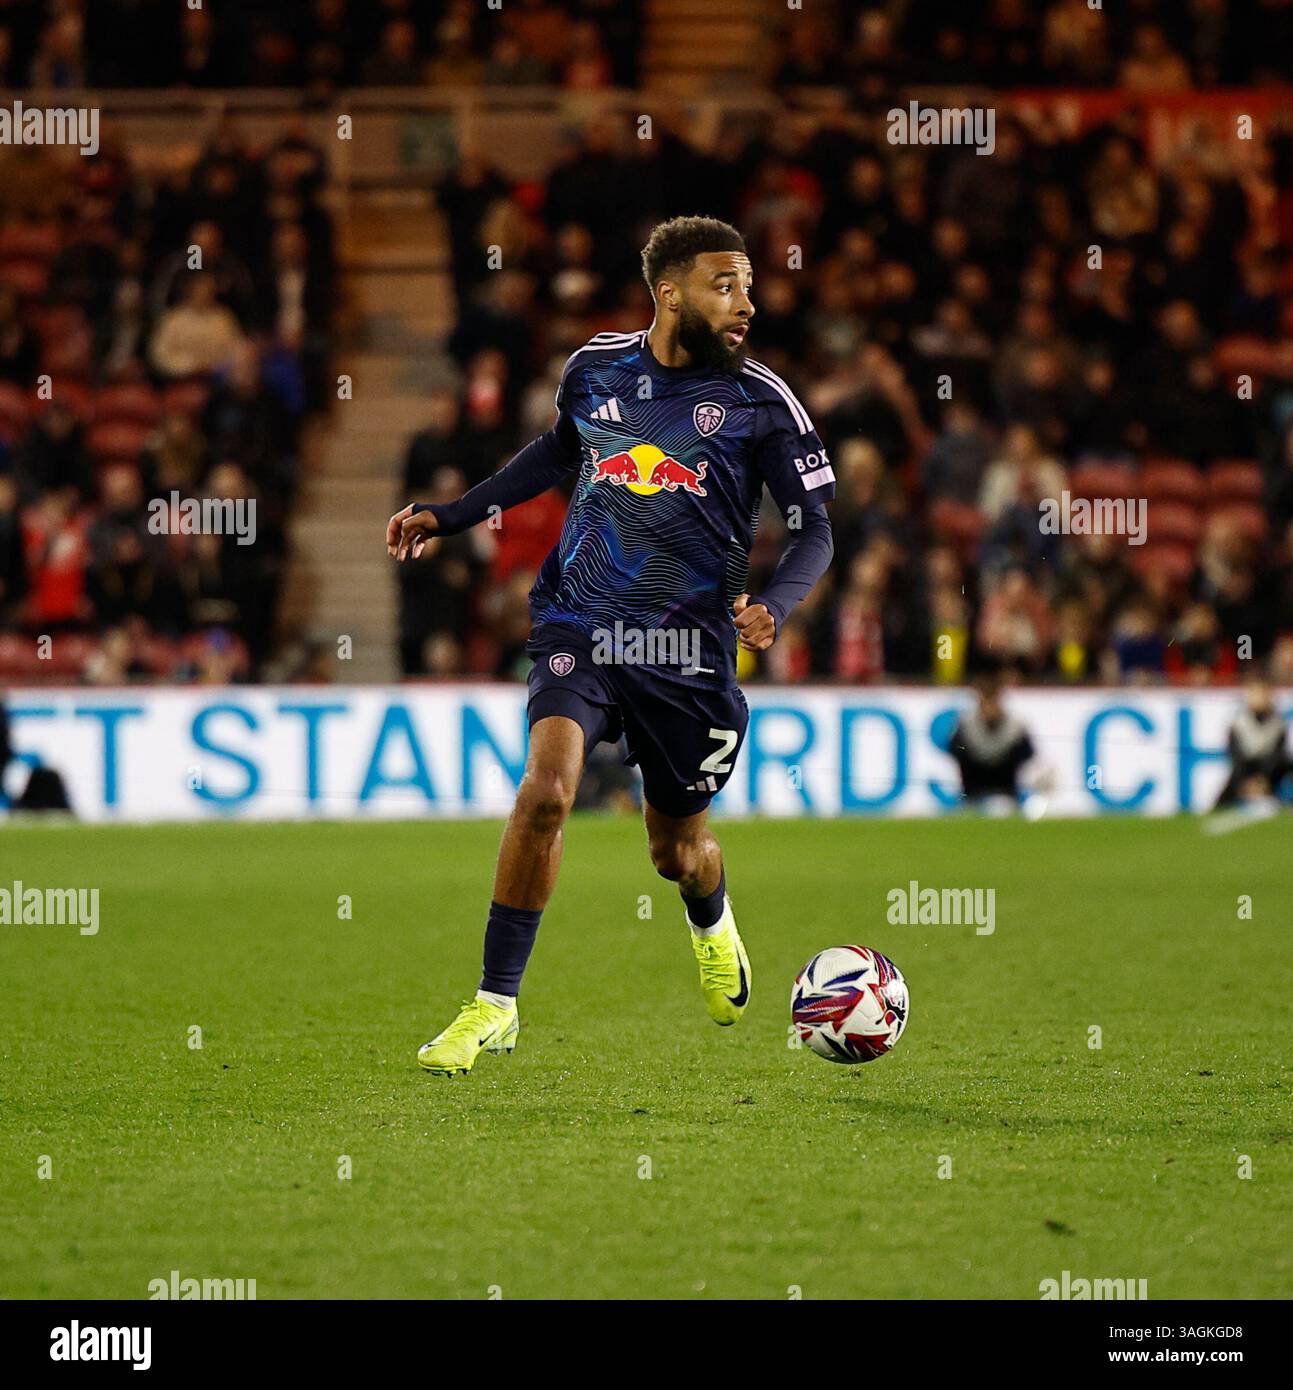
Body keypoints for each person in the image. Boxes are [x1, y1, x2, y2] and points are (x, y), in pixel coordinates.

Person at [387, 216, 835, 1075]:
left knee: (677, 851)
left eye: (747, 286)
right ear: (669, 294)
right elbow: (556, 455)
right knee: (546, 794)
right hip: (579, 621)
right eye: (725, 285)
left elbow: (815, 525)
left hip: (688, 655)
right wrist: (453, 513)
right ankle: (494, 1005)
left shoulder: (760, 403)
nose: (748, 302)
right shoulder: (595, 368)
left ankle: (710, 918)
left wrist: (776, 602)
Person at [948, 668, 1036, 809]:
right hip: (972, 795)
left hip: (1006, 795)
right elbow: (954, 751)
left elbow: (1028, 753)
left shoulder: (1015, 727)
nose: (990, 707)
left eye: (993, 701)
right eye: (986, 701)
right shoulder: (966, 726)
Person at [1212, 679, 1291, 811]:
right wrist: (1248, 782)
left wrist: (1263, 779)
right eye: (1255, 694)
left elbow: (1279, 753)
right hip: (1244, 770)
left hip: (1270, 771)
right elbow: (1236, 754)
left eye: (1263, 694)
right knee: (1236, 774)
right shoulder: (1239, 722)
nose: (1259, 698)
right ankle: (1219, 806)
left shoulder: (1278, 723)